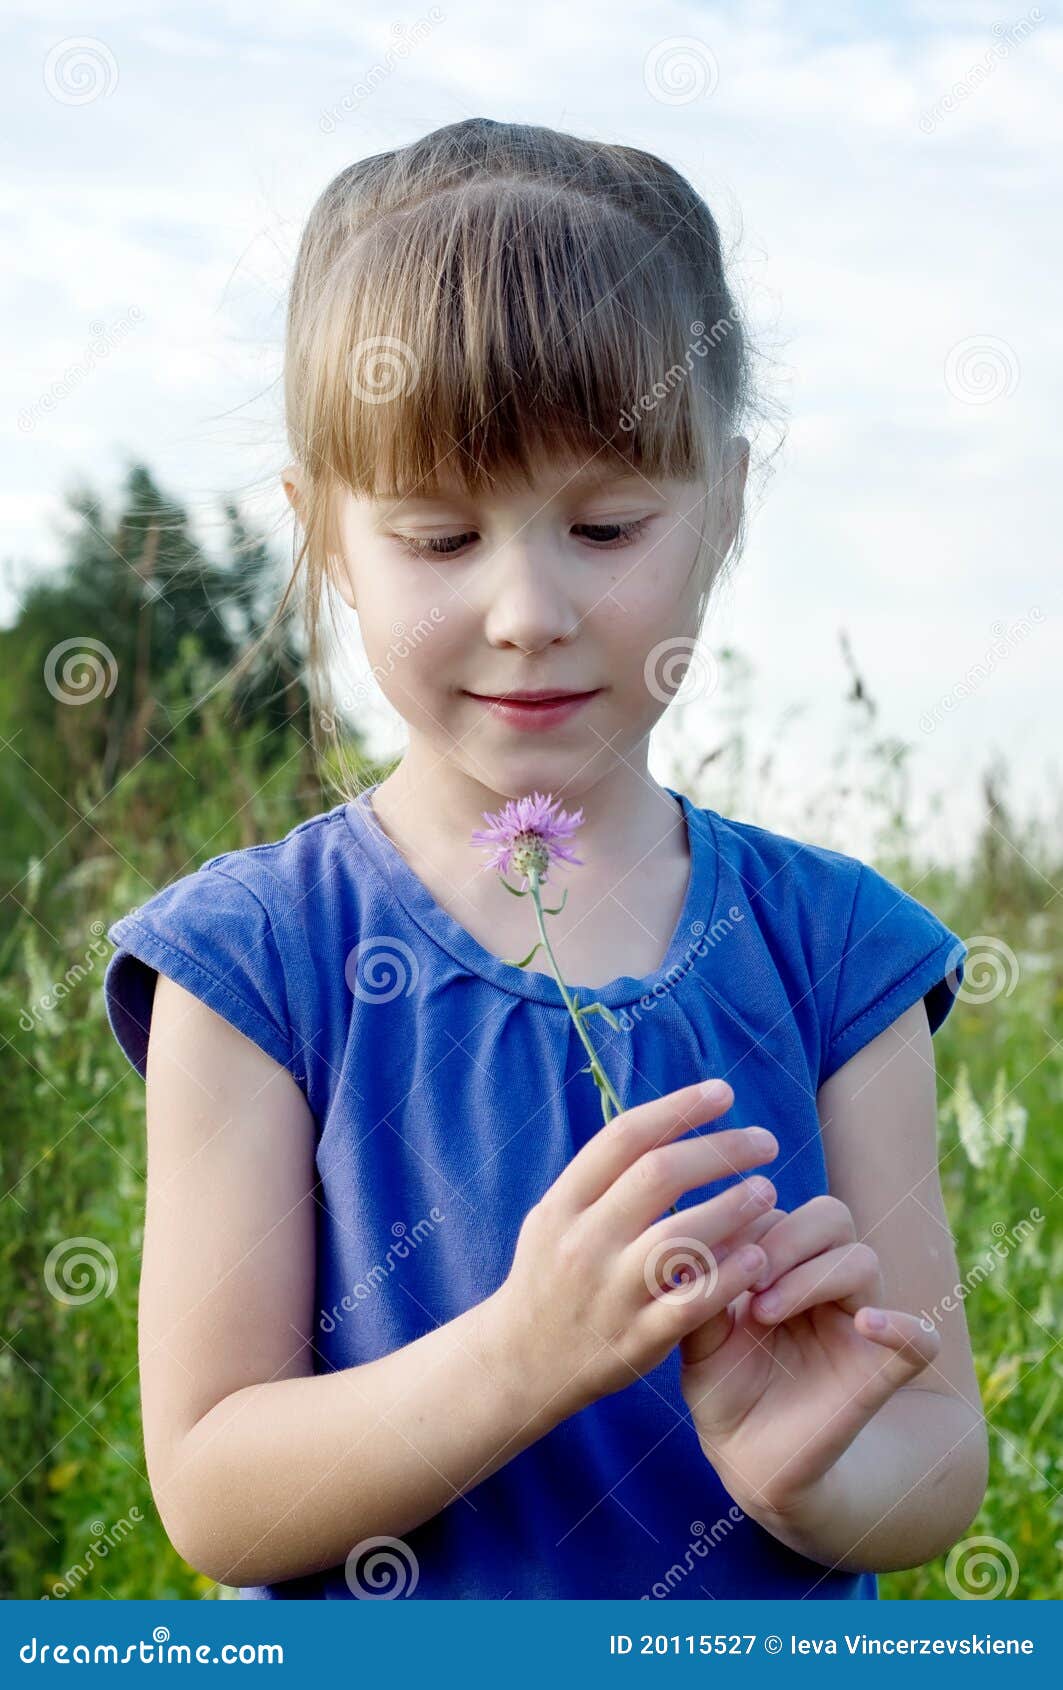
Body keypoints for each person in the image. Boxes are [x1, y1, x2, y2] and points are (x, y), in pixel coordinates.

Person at [103, 117, 988, 1600]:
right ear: (325, 537)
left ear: (726, 506)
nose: (529, 612)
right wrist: (524, 1353)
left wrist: (814, 1474)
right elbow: (216, 1493)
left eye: (607, 525)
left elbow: (938, 1451)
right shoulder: (253, 961)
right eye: (441, 540)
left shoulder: (839, 953)